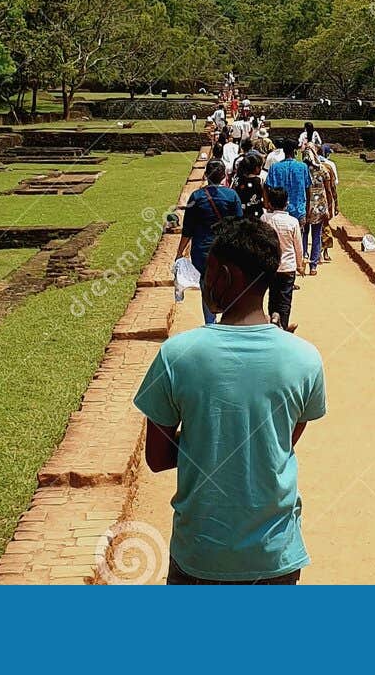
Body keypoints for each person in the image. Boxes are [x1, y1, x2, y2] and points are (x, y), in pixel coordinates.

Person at [136, 219, 326, 585]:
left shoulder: (177, 355)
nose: (204, 280)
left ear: (224, 275)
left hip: (201, 553)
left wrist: (205, 442)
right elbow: (280, 441)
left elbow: (157, 458)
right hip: (274, 555)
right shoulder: (305, 358)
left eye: (207, 270)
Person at [176, 159, 243, 326]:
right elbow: (239, 224)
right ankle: (228, 319)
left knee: (206, 284)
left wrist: (180, 252)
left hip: (202, 250)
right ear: (223, 176)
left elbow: (188, 229)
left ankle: (210, 322)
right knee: (228, 283)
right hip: (226, 248)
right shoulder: (232, 195)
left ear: (206, 175)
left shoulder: (197, 197)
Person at [262, 184, 305, 330]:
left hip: (270, 266)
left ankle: (273, 323)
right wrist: (300, 265)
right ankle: (283, 327)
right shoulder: (292, 222)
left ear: (270, 203)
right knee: (285, 300)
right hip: (288, 266)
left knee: (272, 297)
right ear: (287, 203)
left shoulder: (264, 219)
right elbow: (298, 247)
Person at [301, 148, 334, 275]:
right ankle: (313, 265)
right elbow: (329, 190)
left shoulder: (302, 170)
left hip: (305, 206)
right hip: (319, 207)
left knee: (304, 234)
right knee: (316, 236)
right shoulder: (322, 169)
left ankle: (303, 258)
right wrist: (330, 208)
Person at [266, 137, 310, 224]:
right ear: (295, 151)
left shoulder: (274, 167)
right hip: (298, 211)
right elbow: (308, 190)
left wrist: (268, 205)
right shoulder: (303, 167)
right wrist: (307, 212)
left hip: (278, 212)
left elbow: (266, 187)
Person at [319, 146, 340, 262]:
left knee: (320, 227)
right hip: (324, 202)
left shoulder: (308, 166)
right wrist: (336, 204)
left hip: (316, 202)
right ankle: (323, 251)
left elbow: (332, 187)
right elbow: (333, 187)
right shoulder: (328, 166)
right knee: (324, 227)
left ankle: (319, 252)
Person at [234, 151, 266, 220]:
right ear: (255, 168)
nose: (261, 168)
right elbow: (264, 198)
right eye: (260, 166)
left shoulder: (237, 178)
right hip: (255, 213)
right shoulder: (258, 181)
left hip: (241, 212)